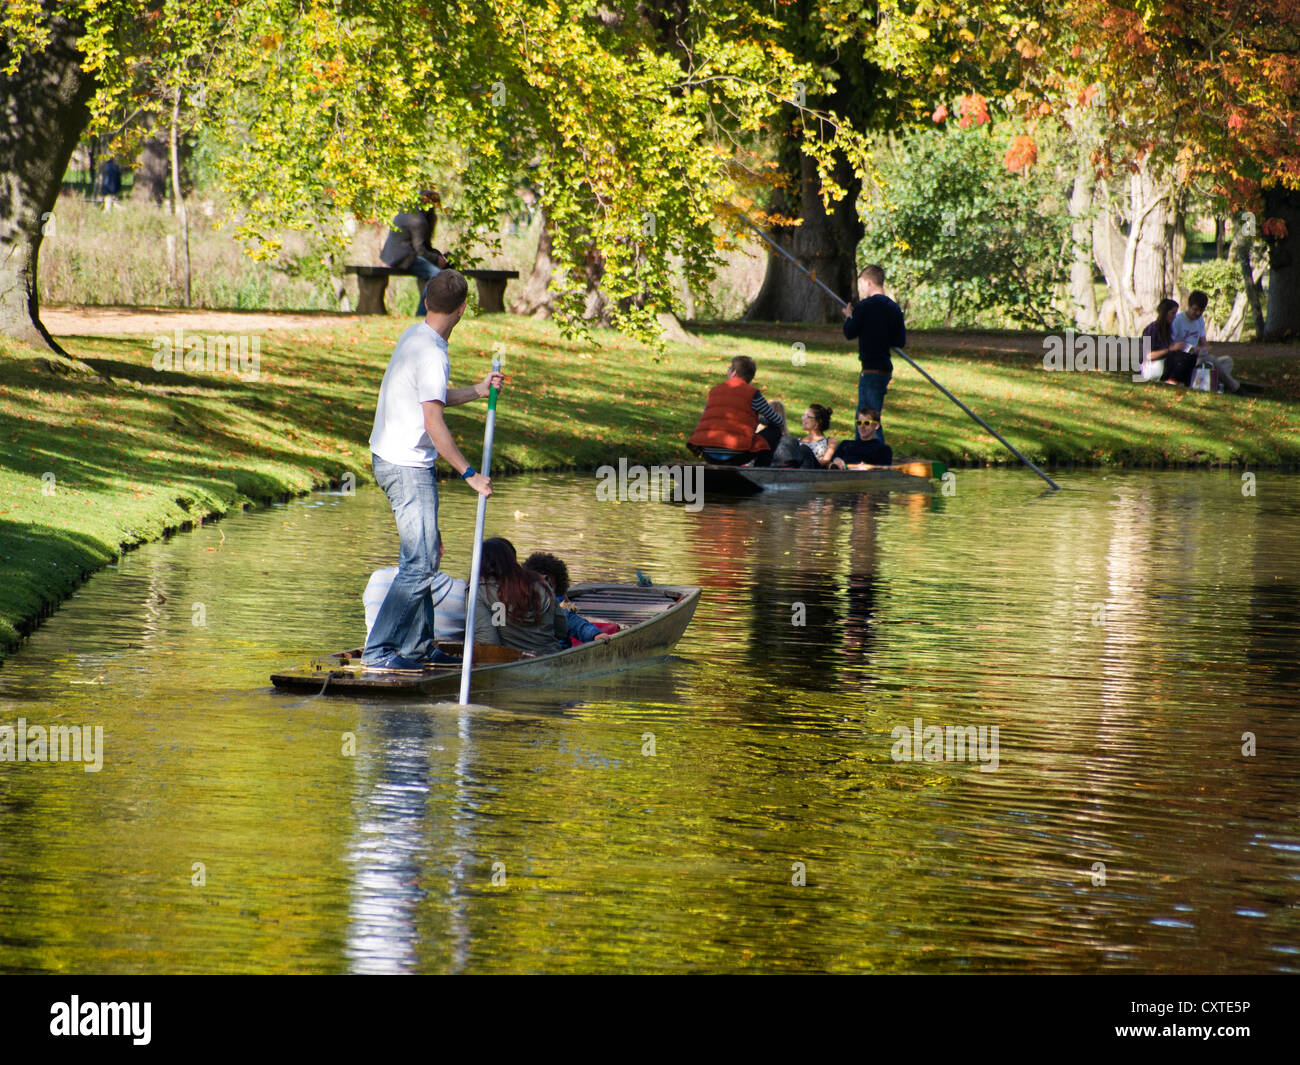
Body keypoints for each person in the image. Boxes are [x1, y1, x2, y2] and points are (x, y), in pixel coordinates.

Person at [362, 270, 503, 670]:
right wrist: (469, 474)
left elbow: (432, 398)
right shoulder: (434, 353)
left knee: (422, 559)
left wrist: (478, 390)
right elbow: (433, 423)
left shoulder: (416, 336)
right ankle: (380, 651)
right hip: (406, 467)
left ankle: (418, 647)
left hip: (391, 458)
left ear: (427, 302)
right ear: (461, 310)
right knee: (421, 564)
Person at [842, 264, 905, 442]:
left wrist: (849, 316)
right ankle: (868, 453)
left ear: (869, 283)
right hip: (885, 370)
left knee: (866, 418)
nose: (860, 288)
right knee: (870, 415)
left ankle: (871, 455)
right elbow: (900, 341)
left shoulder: (864, 307)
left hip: (870, 370)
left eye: (861, 284)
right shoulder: (894, 308)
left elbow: (849, 332)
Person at [472, 538, 568, 655]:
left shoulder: (479, 591)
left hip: (512, 662)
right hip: (550, 656)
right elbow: (561, 629)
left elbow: (488, 642)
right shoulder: (542, 583)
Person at [687, 355, 785, 466]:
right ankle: (760, 471)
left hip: (708, 454)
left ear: (734, 372)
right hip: (736, 455)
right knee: (775, 431)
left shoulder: (714, 391)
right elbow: (778, 421)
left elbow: (705, 418)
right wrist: (760, 420)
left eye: (729, 369)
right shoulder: (753, 394)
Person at [523, 552, 620, 644]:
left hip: (553, 650)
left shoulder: (555, 610)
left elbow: (577, 625)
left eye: (550, 587)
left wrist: (594, 635)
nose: (544, 590)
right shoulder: (518, 604)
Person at [380, 189, 449, 317]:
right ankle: (422, 313)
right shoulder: (418, 221)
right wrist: (436, 259)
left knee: (440, 269)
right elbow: (420, 250)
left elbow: (423, 247)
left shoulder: (408, 211)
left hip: (392, 255)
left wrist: (437, 255)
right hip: (403, 258)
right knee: (436, 275)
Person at [1172, 289, 1240, 392]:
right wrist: (1190, 349)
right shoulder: (1178, 320)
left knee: (1227, 361)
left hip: (1199, 356)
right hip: (1183, 359)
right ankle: (1234, 387)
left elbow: (1205, 344)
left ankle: (1213, 382)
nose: (1197, 313)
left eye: (1200, 311)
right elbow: (1172, 345)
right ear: (1189, 306)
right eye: (1195, 310)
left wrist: (1203, 349)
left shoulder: (1199, 321)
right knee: (1211, 360)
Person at [1138, 298, 1188, 383]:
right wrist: (1170, 349)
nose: (1174, 317)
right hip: (1151, 367)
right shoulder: (1152, 329)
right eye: (1172, 313)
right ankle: (1172, 381)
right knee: (1175, 359)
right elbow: (1148, 356)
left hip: (1164, 364)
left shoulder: (1168, 330)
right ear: (1165, 313)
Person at [767, 401, 819, 468]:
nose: (803, 418)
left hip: (759, 475)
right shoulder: (791, 442)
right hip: (790, 476)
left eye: (808, 417)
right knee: (805, 450)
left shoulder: (758, 440)